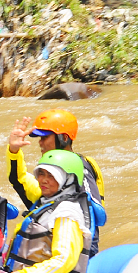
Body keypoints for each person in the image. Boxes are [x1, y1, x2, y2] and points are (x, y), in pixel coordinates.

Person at [7, 108, 106, 254]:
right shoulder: (50, 170)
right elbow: (20, 181)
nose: (40, 143)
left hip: (72, 255)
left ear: (64, 138)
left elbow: (89, 214)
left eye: (45, 137)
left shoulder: (79, 168)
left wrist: (85, 260)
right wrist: (14, 151)